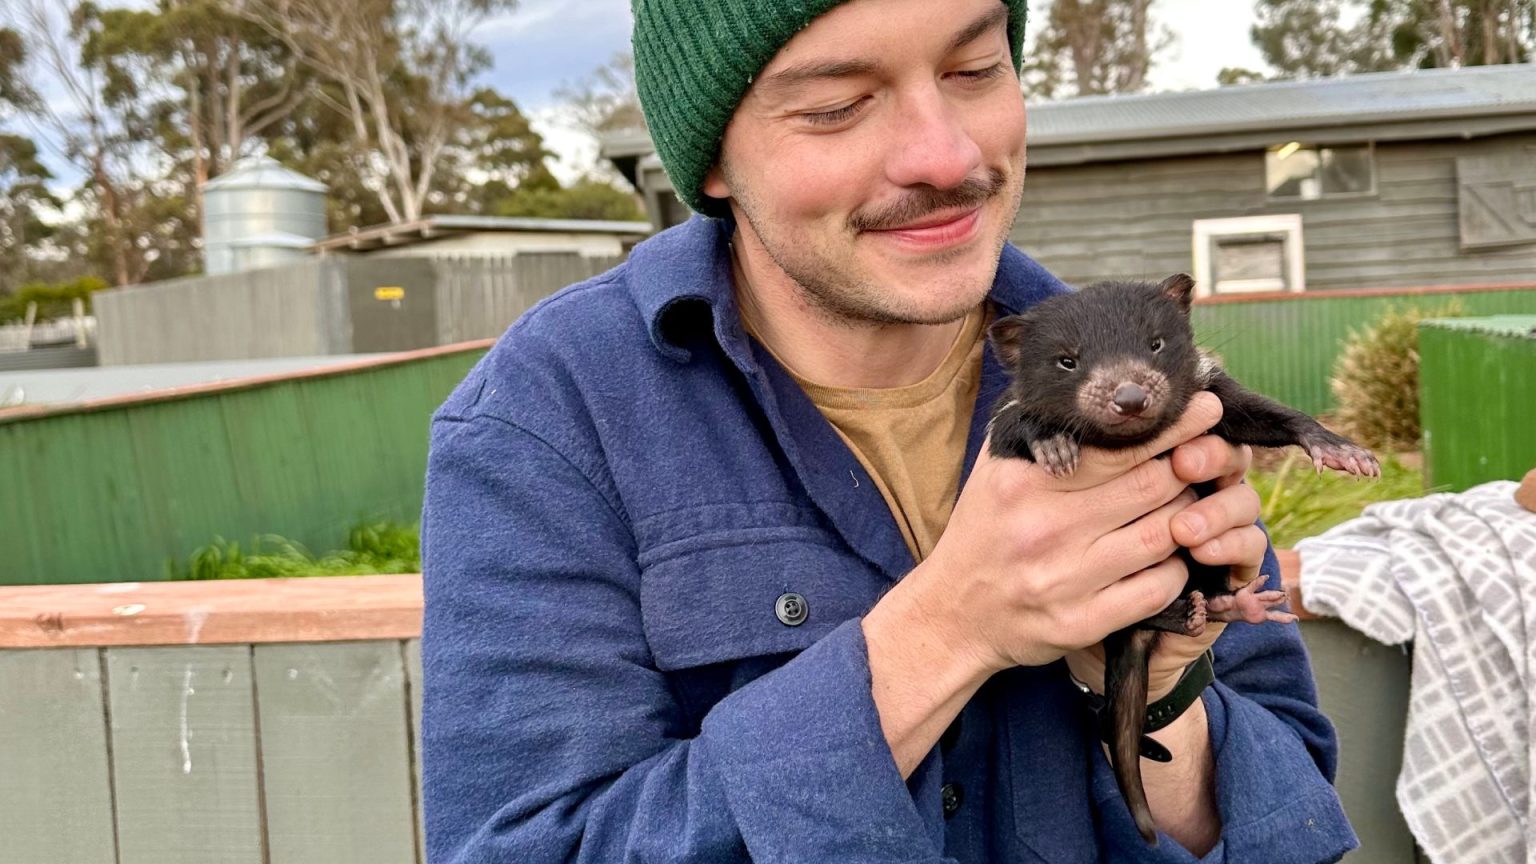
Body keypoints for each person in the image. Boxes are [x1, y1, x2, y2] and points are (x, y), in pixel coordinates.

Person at [419, 1, 1359, 861]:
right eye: (835, 105)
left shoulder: (1129, 375)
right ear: (712, 159)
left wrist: (1160, 694)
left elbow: (1288, 815)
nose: (946, 158)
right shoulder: (547, 422)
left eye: (975, 68)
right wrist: (947, 630)